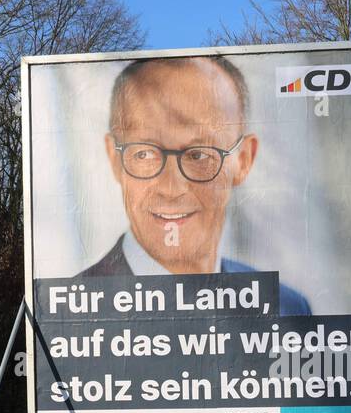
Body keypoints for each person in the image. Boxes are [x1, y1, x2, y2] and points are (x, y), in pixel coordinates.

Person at [79, 55, 312, 316]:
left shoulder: (287, 308)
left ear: (243, 160)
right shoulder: (71, 314)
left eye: (199, 155)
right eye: (144, 153)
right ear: (114, 159)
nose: (171, 188)